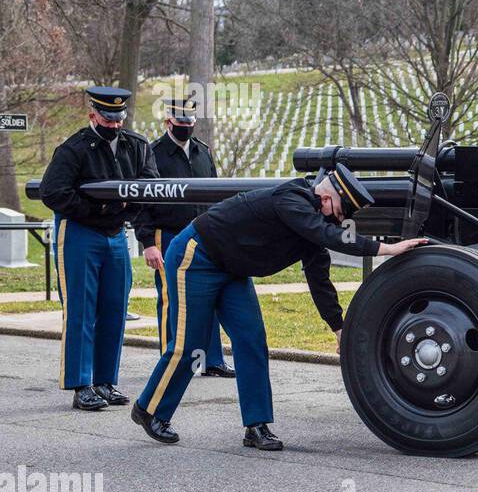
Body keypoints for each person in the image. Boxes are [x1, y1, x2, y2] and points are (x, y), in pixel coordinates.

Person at [131, 164, 428, 450]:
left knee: (252, 341)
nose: (338, 222)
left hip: (232, 267)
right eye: (338, 213)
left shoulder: (312, 228)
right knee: (188, 344)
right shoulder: (292, 198)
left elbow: (320, 282)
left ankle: (256, 425)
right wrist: (384, 249)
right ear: (326, 198)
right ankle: (150, 409)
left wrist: (338, 328)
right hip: (196, 257)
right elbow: (327, 234)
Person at [39, 86, 158, 411]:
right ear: (93, 115)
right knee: (80, 310)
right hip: (80, 232)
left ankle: (105, 380)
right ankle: (81, 384)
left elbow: (148, 187)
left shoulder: (137, 145)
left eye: (119, 119)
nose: (115, 125)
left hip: (116, 234)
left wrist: (122, 214)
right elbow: (54, 192)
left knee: (115, 308)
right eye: (108, 119)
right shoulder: (74, 148)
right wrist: (101, 210)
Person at [135, 99, 235, 377]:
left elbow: (214, 195)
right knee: (170, 299)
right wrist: (148, 243)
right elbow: (142, 201)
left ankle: (212, 359)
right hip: (167, 234)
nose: (186, 129)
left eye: (190, 125)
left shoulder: (203, 152)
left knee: (210, 293)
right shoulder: (153, 154)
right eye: (181, 124)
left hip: (203, 234)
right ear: (168, 123)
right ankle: (173, 358)